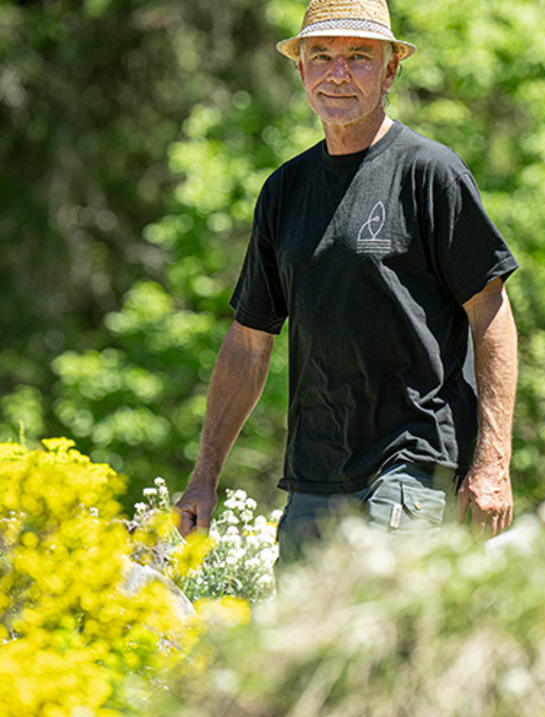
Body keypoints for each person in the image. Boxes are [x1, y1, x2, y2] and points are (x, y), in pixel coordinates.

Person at [175, 0, 519, 563]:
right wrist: (204, 475)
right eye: (322, 56)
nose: (338, 72)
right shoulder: (284, 191)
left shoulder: (429, 173)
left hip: (414, 465)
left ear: (390, 71)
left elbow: (491, 314)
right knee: (303, 646)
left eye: (359, 56)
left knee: (391, 641)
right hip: (313, 478)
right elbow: (248, 342)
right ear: (302, 70)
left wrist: (492, 462)